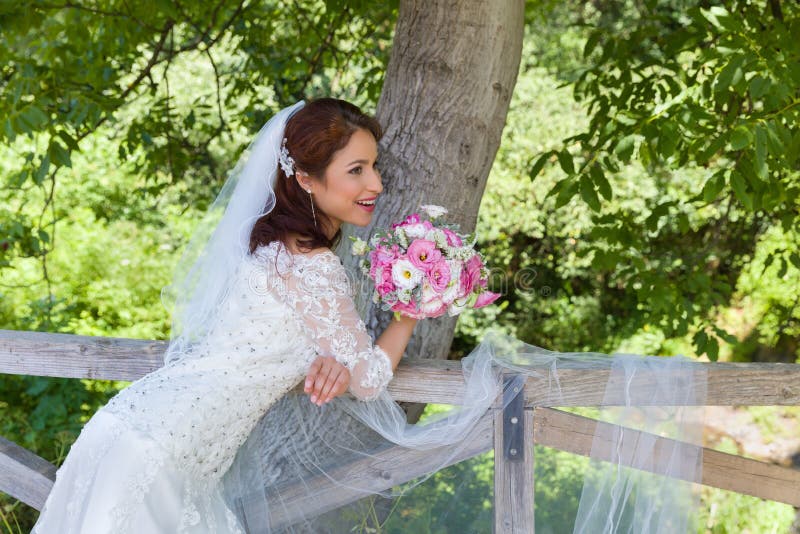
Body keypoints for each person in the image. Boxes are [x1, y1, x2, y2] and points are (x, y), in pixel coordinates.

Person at [31, 98, 708, 533]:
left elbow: (276, 349)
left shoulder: (267, 244)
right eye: (356, 170)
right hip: (160, 455)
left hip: (132, 427)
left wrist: (312, 363)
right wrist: (412, 311)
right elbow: (366, 378)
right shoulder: (313, 263)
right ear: (306, 177)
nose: (375, 184)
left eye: (374, 167)